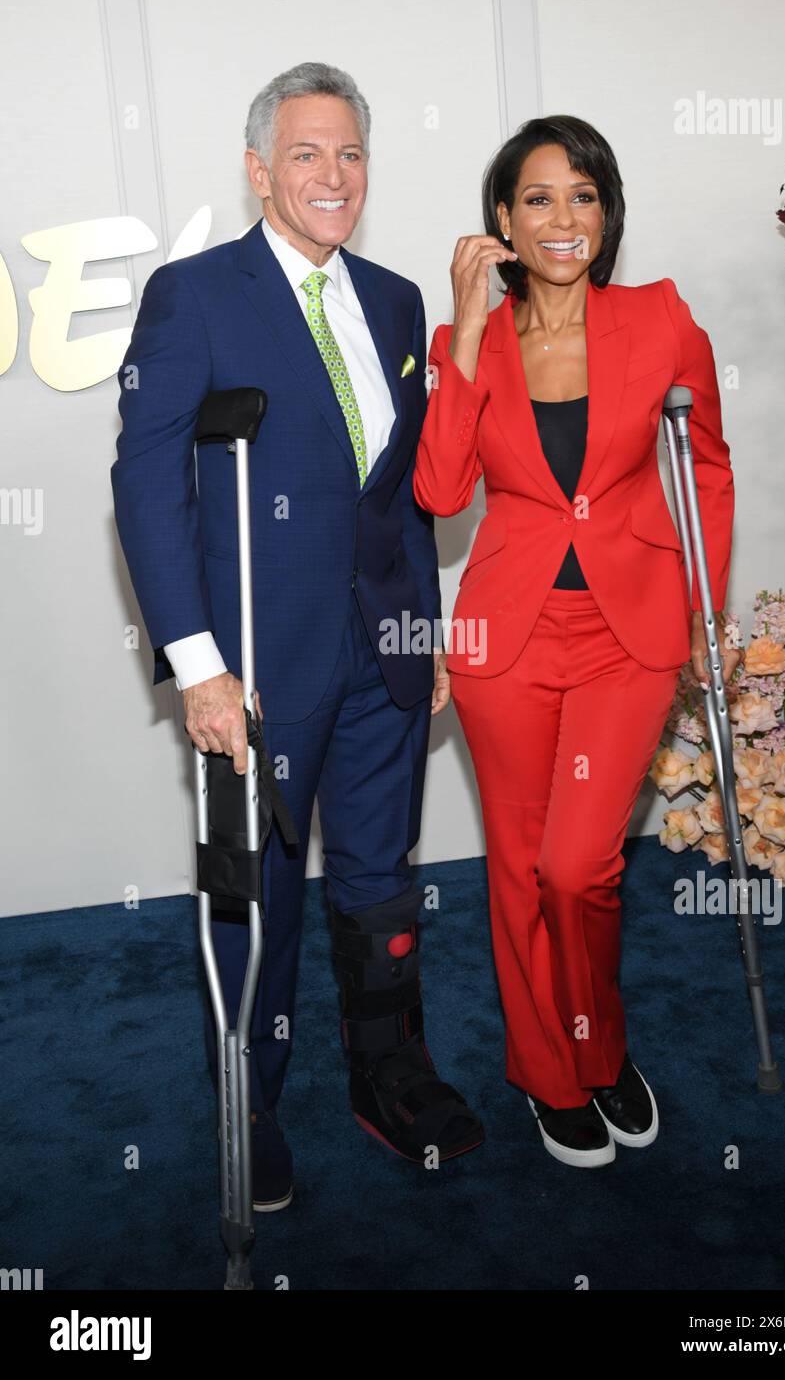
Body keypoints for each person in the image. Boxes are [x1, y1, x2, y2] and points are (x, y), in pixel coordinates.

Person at [111, 63, 484, 1210]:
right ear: (259, 168)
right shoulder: (195, 293)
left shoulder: (392, 299)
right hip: (257, 671)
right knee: (255, 889)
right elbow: (144, 483)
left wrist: (419, 632)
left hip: (381, 659)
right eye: (308, 154)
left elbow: (405, 495)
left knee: (379, 881)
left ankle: (387, 1069)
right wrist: (197, 666)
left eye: (351, 154)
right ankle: (249, 1095)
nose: (333, 176)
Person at [413, 114, 741, 1168]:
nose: (563, 218)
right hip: (504, 639)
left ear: (606, 214)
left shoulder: (659, 320)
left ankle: (600, 1046)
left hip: (626, 630)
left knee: (575, 866)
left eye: (583, 195)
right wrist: (463, 334)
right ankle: (546, 1072)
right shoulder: (465, 343)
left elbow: (708, 469)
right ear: (500, 219)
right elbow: (439, 490)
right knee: (516, 866)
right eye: (538, 198)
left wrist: (699, 614)